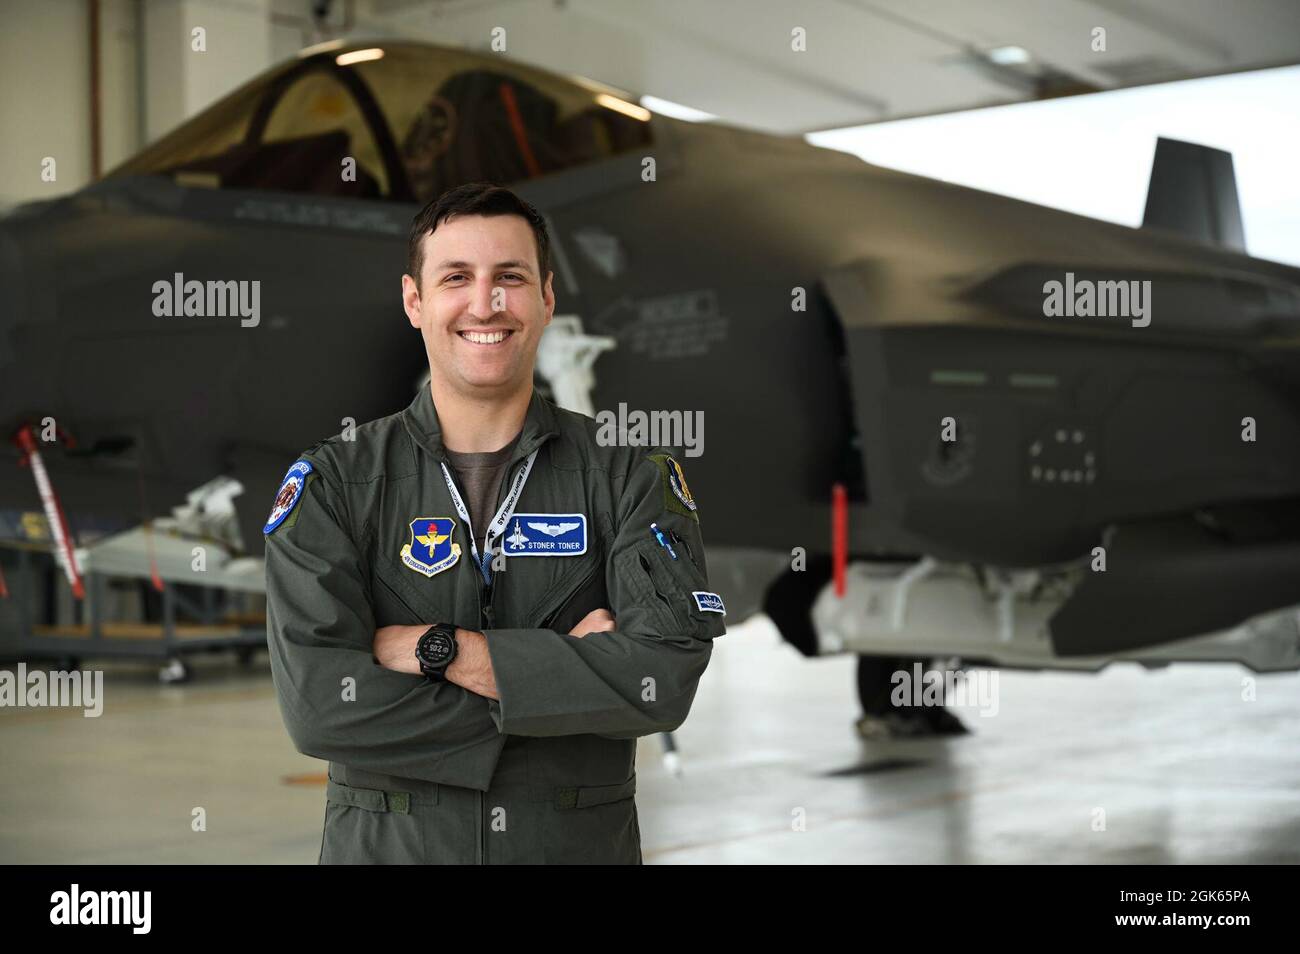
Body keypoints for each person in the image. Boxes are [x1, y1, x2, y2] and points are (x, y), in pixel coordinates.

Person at [263, 182, 726, 864]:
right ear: (414, 301)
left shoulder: (629, 476)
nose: (485, 304)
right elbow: (321, 707)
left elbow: (660, 678)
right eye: (456, 278)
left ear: (545, 298)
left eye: (509, 278)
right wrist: (564, 681)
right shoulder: (335, 482)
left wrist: (441, 651)